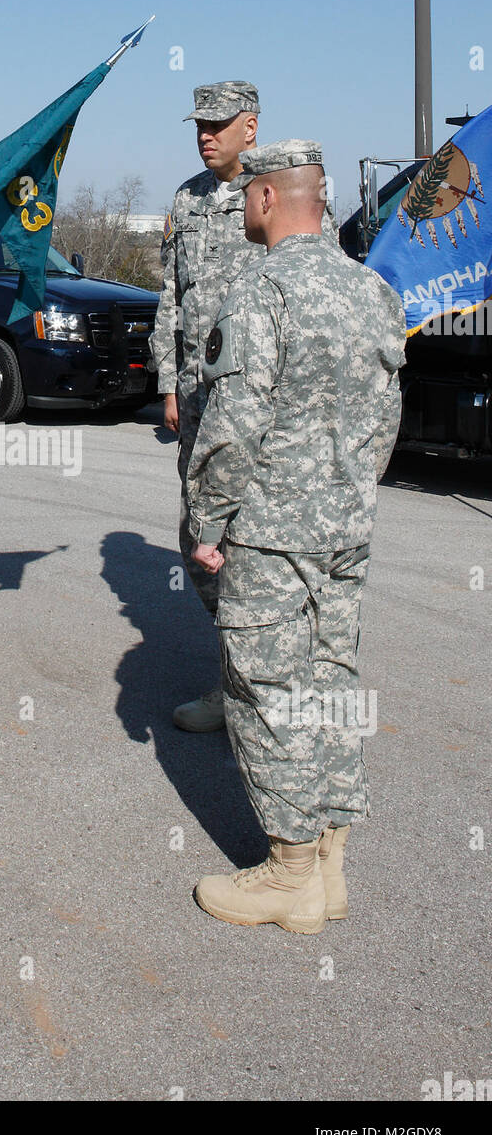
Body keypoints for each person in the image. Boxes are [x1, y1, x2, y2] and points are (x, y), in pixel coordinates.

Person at [185, 140, 407, 933]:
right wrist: (349, 491)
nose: (243, 205)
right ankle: (331, 869)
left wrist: (209, 521)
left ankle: (289, 875)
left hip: (272, 531)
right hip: (345, 526)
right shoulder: (371, 289)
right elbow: (388, 420)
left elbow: (232, 429)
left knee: (268, 690)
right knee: (331, 682)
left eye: (249, 194)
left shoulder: (261, 292)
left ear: (271, 198)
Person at [150, 81, 265, 733]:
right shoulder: (187, 199)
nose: (206, 133)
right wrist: (168, 382)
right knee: (202, 538)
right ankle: (234, 677)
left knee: (253, 540)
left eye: (220, 123)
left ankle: (256, 691)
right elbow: (170, 293)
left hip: (254, 401)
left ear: (251, 126)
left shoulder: (277, 190)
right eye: (200, 123)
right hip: (195, 398)